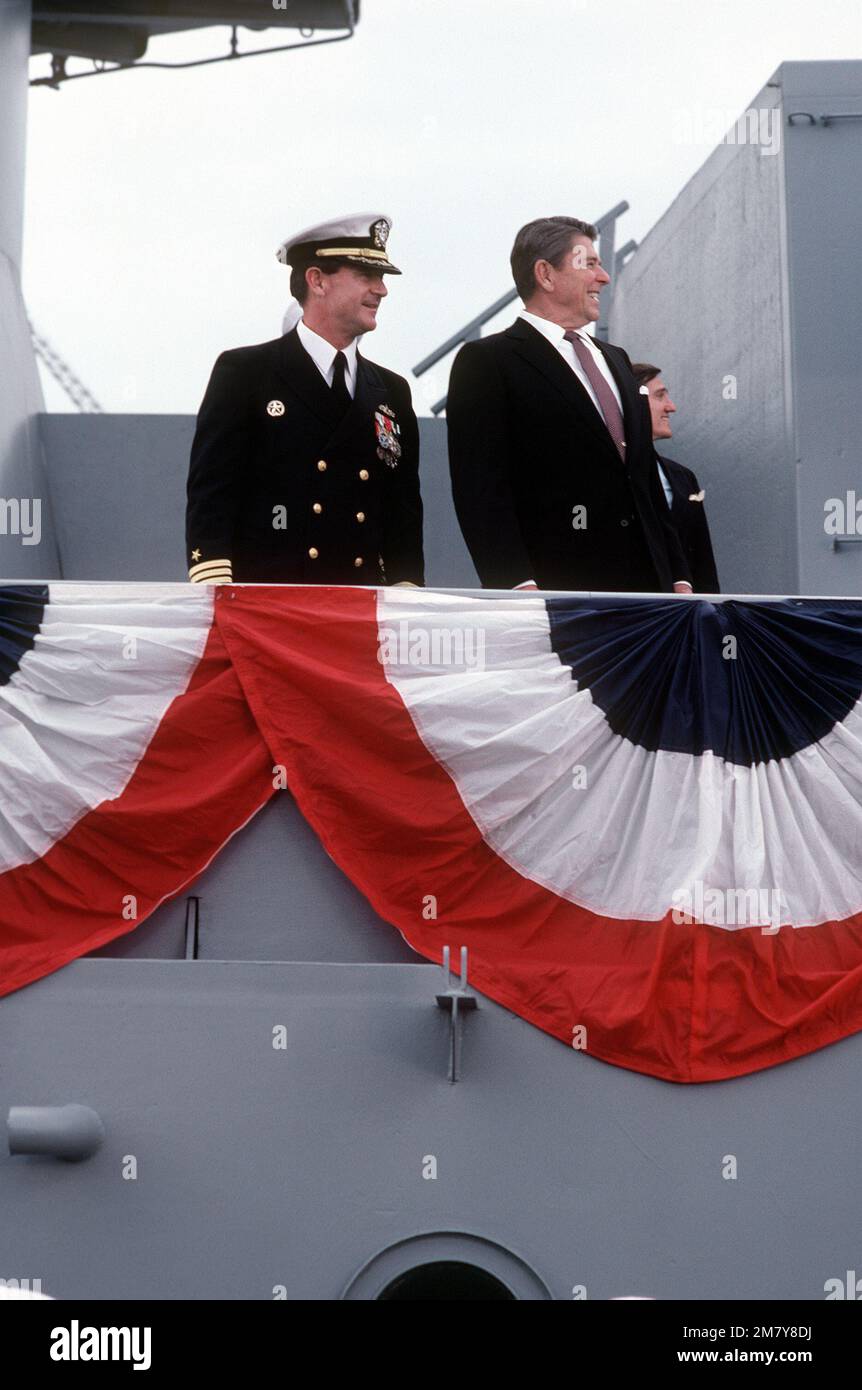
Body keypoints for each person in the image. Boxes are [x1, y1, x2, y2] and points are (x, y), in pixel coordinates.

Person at [446, 216, 692, 594]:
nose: (604, 277)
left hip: (650, 599)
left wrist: (678, 577)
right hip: (558, 596)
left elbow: (643, 481)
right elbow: (481, 489)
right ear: (545, 274)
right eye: (589, 264)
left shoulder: (618, 361)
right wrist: (516, 586)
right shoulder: (488, 361)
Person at [186, 213, 424, 587]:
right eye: (367, 276)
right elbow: (212, 495)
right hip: (270, 608)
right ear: (317, 281)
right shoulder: (245, 373)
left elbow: (403, 515)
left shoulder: (391, 391)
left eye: (381, 278)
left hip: (361, 608)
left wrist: (406, 596)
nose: (382, 290)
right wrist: (217, 589)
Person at [632, 362, 720, 593]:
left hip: (680, 615)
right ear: (633, 401)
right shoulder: (600, 473)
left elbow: (702, 560)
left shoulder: (683, 478)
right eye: (660, 396)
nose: (671, 407)